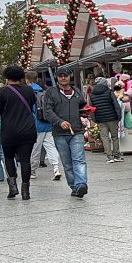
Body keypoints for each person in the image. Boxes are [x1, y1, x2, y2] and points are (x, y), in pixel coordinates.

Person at [0, 65, 38, 200]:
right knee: (25, 160)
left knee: (9, 158)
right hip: (28, 130)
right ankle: (25, 191)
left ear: (6, 77)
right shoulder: (29, 90)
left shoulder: (2, 92)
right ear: (21, 76)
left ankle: (13, 188)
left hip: (9, 131)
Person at [43, 67, 89, 198]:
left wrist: (85, 112)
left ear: (70, 77)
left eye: (66, 75)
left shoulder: (77, 91)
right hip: (59, 133)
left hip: (77, 131)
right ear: (57, 77)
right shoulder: (51, 92)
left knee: (79, 159)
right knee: (67, 162)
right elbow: (48, 111)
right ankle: (74, 186)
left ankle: (81, 184)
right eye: (60, 76)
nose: (63, 78)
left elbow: (82, 106)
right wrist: (59, 121)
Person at [27, 72, 61, 180]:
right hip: (48, 124)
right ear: (37, 79)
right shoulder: (45, 92)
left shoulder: (29, 93)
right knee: (51, 147)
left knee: (35, 149)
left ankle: (32, 171)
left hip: (36, 125)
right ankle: (56, 168)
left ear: (27, 80)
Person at [90, 76, 123, 162]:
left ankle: (109, 157)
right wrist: (119, 116)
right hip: (112, 118)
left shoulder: (92, 94)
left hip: (100, 119)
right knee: (115, 137)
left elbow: (91, 109)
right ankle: (116, 155)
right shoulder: (109, 92)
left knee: (104, 138)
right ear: (105, 83)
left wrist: (94, 119)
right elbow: (116, 105)